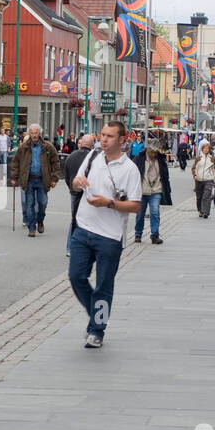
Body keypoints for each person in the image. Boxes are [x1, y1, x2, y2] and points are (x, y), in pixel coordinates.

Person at [68, 122, 141, 349]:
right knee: (76, 276)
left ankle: (97, 330)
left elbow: (136, 205)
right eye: (102, 135)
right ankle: (97, 313)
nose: (104, 139)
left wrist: (108, 203)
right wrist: (78, 183)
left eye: (110, 136)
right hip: (83, 227)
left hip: (110, 236)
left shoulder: (130, 169)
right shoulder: (92, 157)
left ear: (122, 139)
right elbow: (75, 183)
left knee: (103, 286)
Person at [9, 123, 61, 238]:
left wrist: (54, 178)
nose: (34, 135)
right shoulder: (24, 147)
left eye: (36, 133)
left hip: (43, 179)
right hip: (29, 180)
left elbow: (55, 162)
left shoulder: (47, 146)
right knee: (29, 204)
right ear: (29, 134)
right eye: (32, 133)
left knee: (43, 203)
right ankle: (32, 228)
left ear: (40, 133)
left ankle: (40, 220)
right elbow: (15, 162)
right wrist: (13, 178)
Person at [62, 133, 96, 257]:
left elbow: (66, 174)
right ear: (92, 144)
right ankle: (86, 248)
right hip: (88, 193)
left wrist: (71, 188)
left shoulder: (71, 156)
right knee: (89, 219)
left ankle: (70, 248)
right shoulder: (94, 158)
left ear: (80, 143)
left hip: (74, 192)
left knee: (74, 219)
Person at [132, 141, 170, 244]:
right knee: (140, 214)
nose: (153, 154)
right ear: (147, 150)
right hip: (142, 191)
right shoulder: (139, 159)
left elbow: (165, 176)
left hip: (155, 190)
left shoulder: (161, 160)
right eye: (151, 152)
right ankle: (138, 234)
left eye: (155, 152)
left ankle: (155, 235)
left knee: (155, 212)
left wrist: (167, 189)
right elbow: (132, 174)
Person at [192, 138, 215, 218]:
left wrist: (214, 180)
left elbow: (214, 170)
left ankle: (205, 212)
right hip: (199, 180)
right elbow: (193, 168)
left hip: (208, 180)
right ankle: (200, 210)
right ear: (202, 149)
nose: (206, 150)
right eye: (205, 148)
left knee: (206, 196)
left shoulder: (212, 159)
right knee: (199, 197)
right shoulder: (198, 158)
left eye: (208, 148)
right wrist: (195, 175)